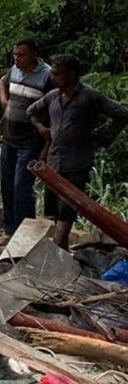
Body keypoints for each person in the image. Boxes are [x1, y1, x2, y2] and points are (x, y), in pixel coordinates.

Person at [27, 54, 128, 250]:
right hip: (54, 162)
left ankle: (58, 251)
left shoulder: (90, 97)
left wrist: (100, 136)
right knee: (56, 213)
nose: (52, 78)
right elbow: (31, 111)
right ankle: (61, 253)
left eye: (57, 74)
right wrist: (41, 128)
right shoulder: (52, 97)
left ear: (71, 75)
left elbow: (122, 114)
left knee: (67, 211)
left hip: (76, 162)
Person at [0, 40, 52, 235]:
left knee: (21, 187)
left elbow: (54, 110)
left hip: (30, 141)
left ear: (34, 55)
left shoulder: (47, 76)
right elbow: (2, 81)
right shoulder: (14, 70)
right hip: (9, 137)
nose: (17, 59)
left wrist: (46, 146)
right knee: (6, 184)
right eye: (15, 55)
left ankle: (25, 232)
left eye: (21, 55)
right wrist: (5, 102)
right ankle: (10, 230)